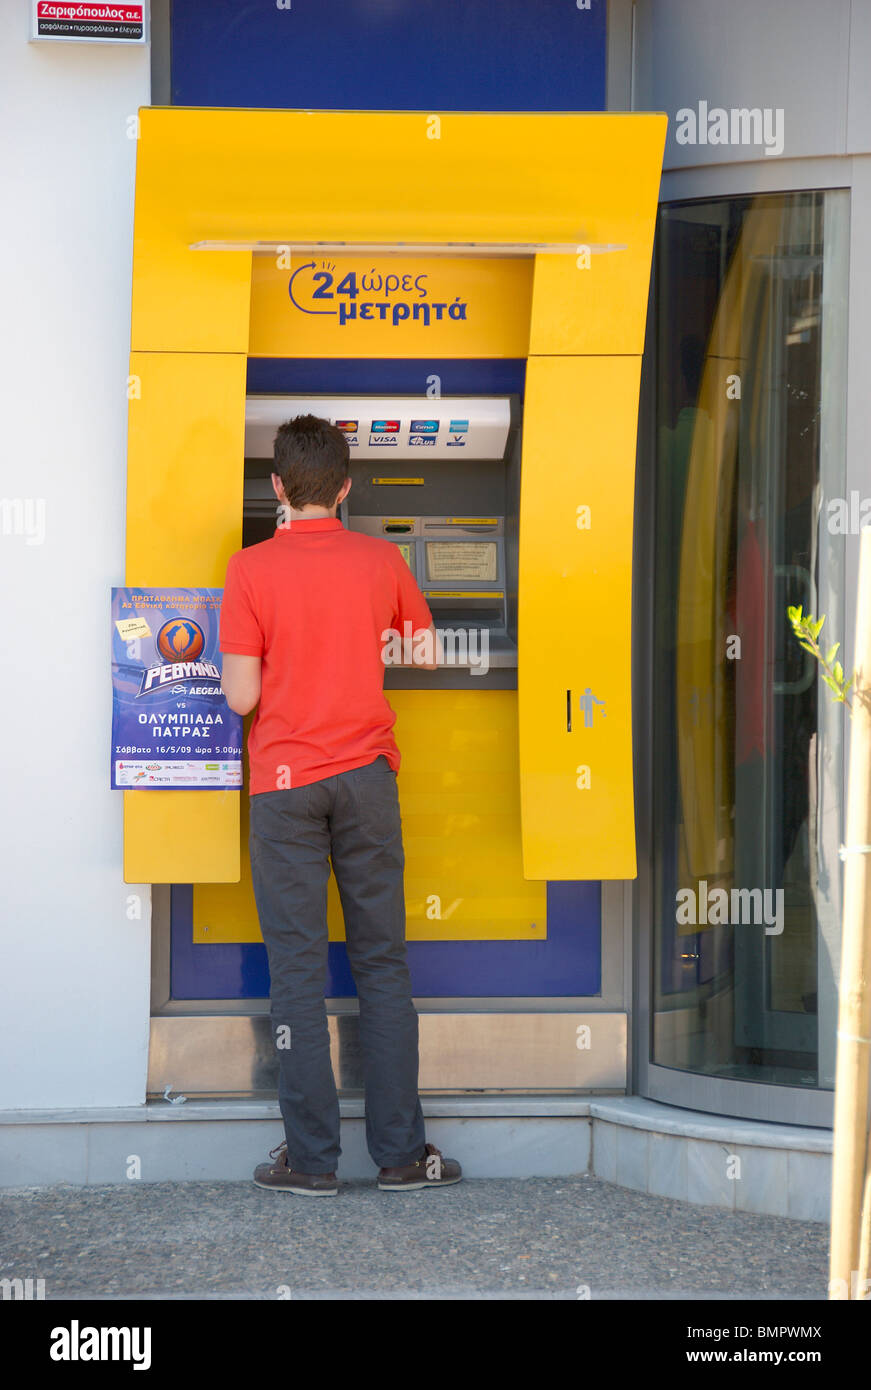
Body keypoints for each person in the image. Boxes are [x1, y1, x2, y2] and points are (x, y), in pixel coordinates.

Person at [219, 414, 462, 1196]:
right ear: (348, 487)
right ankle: (400, 1157)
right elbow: (424, 650)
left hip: (285, 787)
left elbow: (240, 694)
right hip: (366, 778)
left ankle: (311, 1162)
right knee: (381, 964)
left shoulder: (249, 568)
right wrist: (370, 640)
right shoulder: (382, 557)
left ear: (278, 487)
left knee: (296, 972)